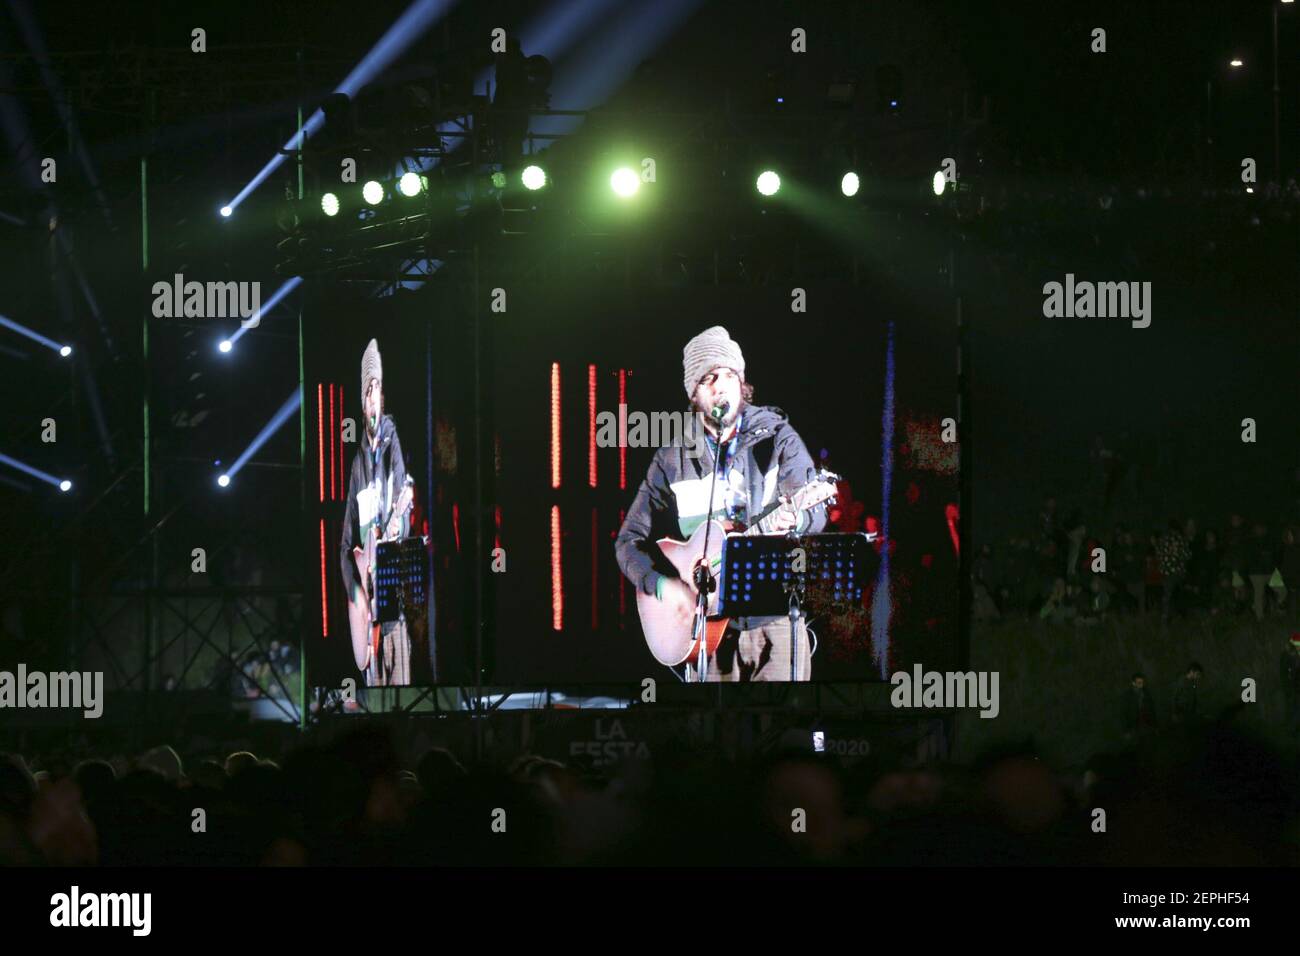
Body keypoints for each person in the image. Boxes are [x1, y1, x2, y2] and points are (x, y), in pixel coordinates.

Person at [615, 326, 827, 681]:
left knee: (784, 725)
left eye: (729, 375)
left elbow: (814, 513)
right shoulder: (672, 458)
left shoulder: (777, 439)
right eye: (708, 378)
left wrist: (798, 520)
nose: (720, 385)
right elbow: (627, 542)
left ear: (742, 384)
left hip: (773, 619)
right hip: (706, 632)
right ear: (694, 394)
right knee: (715, 733)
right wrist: (663, 586)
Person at [340, 339, 414, 686]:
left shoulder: (393, 446)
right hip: (368, 605)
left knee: (399, 677)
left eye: (378, 390)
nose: (374, 398)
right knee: (373, 684)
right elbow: (345, 546)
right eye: (369, 391)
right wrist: (358, 599)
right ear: (362, 399)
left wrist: (399, 521)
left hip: (393, 605)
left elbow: (405, 497)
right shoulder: (357, 465)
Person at [1121, 672, 1157, 742]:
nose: (1141, 684)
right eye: (1139, 683)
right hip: (1134, 727)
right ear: (1133, 683)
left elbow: (1152, 710)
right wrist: (1126, 731)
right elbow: (1124, 713)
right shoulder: (1128, 696)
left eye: (1142, 682)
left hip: (1146, 726)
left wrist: (1154, 726)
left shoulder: (1146, 693)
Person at [1171, 662, 1202, 726]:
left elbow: (1193, 697)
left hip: (1188, 713)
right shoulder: (1181, 681)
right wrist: (1174, 713)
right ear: (1191, 671)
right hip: (1181, 712)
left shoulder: (1192, 682)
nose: (1198, 677)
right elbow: (1174, 696)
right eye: (1197, 674)